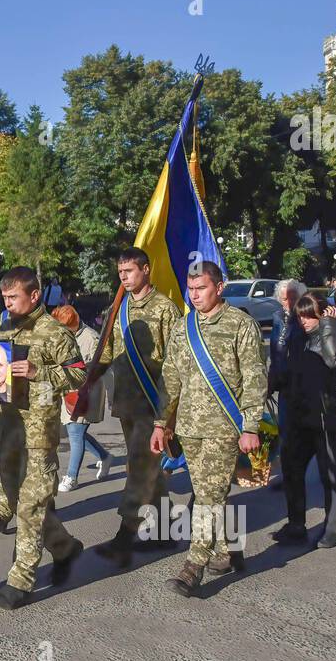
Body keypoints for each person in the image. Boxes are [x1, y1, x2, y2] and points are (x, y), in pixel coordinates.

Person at [0, 266, 87, 610]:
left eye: (13, 297)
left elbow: (80, 375)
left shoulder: (54, 332)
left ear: (34, 295)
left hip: (39, 431)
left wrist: (41, 372)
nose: (7, 303)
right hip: (9, 426)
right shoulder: (2, 322)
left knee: (31, 505)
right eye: (4, 297)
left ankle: (20, 580)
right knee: (12, 493)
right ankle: (64, 547)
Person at [152, 261, 265, 596]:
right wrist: (162, 423)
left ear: (219, 287)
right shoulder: (183, 327)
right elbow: (170, 378)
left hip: (224, 428)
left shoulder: (240, 325)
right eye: (191, 289)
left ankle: (192, 568)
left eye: (201, 288)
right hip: (189, 426)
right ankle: (228, 550)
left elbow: (255, 379)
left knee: (208, 500)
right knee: (208, 494)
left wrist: (251, 426)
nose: (195, 294)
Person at [77, 248, 182, 566]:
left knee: (139, 468)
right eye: (120, 271)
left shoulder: (165, 309)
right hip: (125, 403)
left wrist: (170, 415)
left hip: (154, 405)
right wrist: (86, 382)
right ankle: (165, 534)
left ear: (146, 270)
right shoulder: (119, 307)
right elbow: (105, 351)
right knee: (151, 471)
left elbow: (177, 362)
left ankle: (125, 536)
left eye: (129, 271)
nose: (124, 276)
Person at [271, 293, 336, 547]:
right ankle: (296, 524)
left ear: (324, 313)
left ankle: (333, 527)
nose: (305, 321)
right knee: (291, 465)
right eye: (301, 316)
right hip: (301, 412)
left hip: (329, 413)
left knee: (331, 473)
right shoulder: (299, 335)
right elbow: (289, 367)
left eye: (310, 316)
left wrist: (329, 325)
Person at [52, 305, 111, 493]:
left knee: (76, 433)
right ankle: (104, 456)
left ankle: (71, 477)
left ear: (74, 323)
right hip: (68, 393)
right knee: (76, 432)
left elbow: (96, 369)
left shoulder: (91, 338)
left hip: (85, 394)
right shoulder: (65, 337)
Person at [267, 279, 309, 490]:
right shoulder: (277, 318)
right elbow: (275, 354)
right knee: (285, 433)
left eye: (293, 298)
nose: (288, 303)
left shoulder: (306, 318)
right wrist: (270, 383)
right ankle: (288, 476)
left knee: (301, 435)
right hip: (283, 384)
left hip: (303, 385)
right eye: (284, 299)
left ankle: (297, 476)